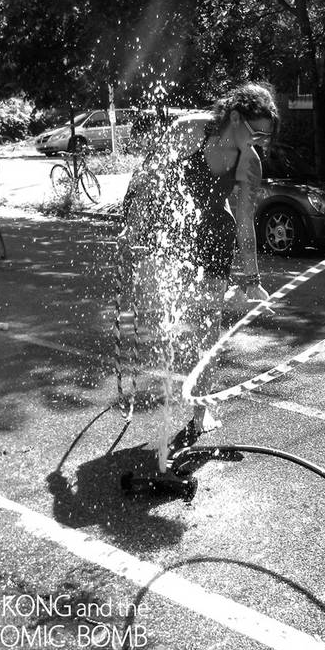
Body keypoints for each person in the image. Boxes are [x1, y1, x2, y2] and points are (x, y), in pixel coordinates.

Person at [122, 83, 278, 458]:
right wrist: (133, 225)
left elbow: (245, 221)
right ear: (235, 118)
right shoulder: (191, 130)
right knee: (171, 316)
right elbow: (148, 177)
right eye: (256, 133)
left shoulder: (249, 161)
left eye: (265, 137)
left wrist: (252, 281)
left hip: (214, 241)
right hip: (172, 233)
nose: (260, 142)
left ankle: (201, 408)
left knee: (208, 328)